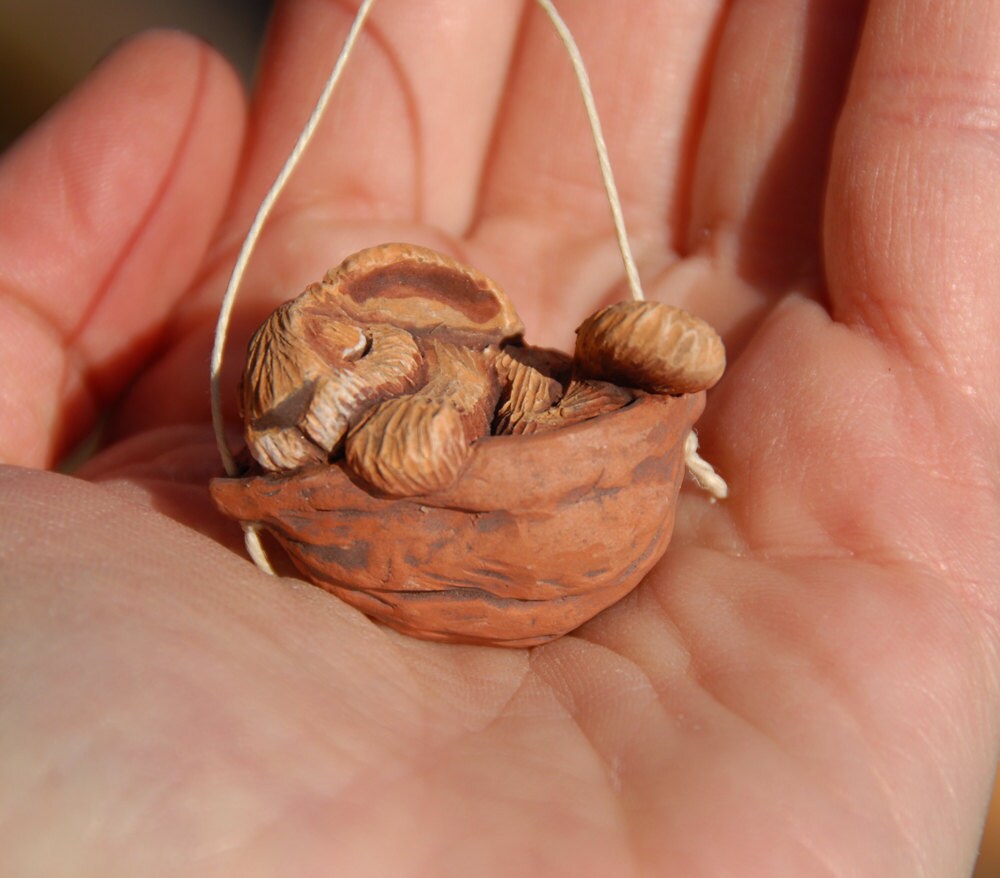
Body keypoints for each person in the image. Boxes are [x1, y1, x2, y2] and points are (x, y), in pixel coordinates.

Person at [1, 1, 998, 874]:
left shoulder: (464, 361)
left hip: (583, 432)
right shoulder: (371, 430)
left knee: (639, 345)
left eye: (352, 346)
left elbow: (455, 408)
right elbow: (408, 452)